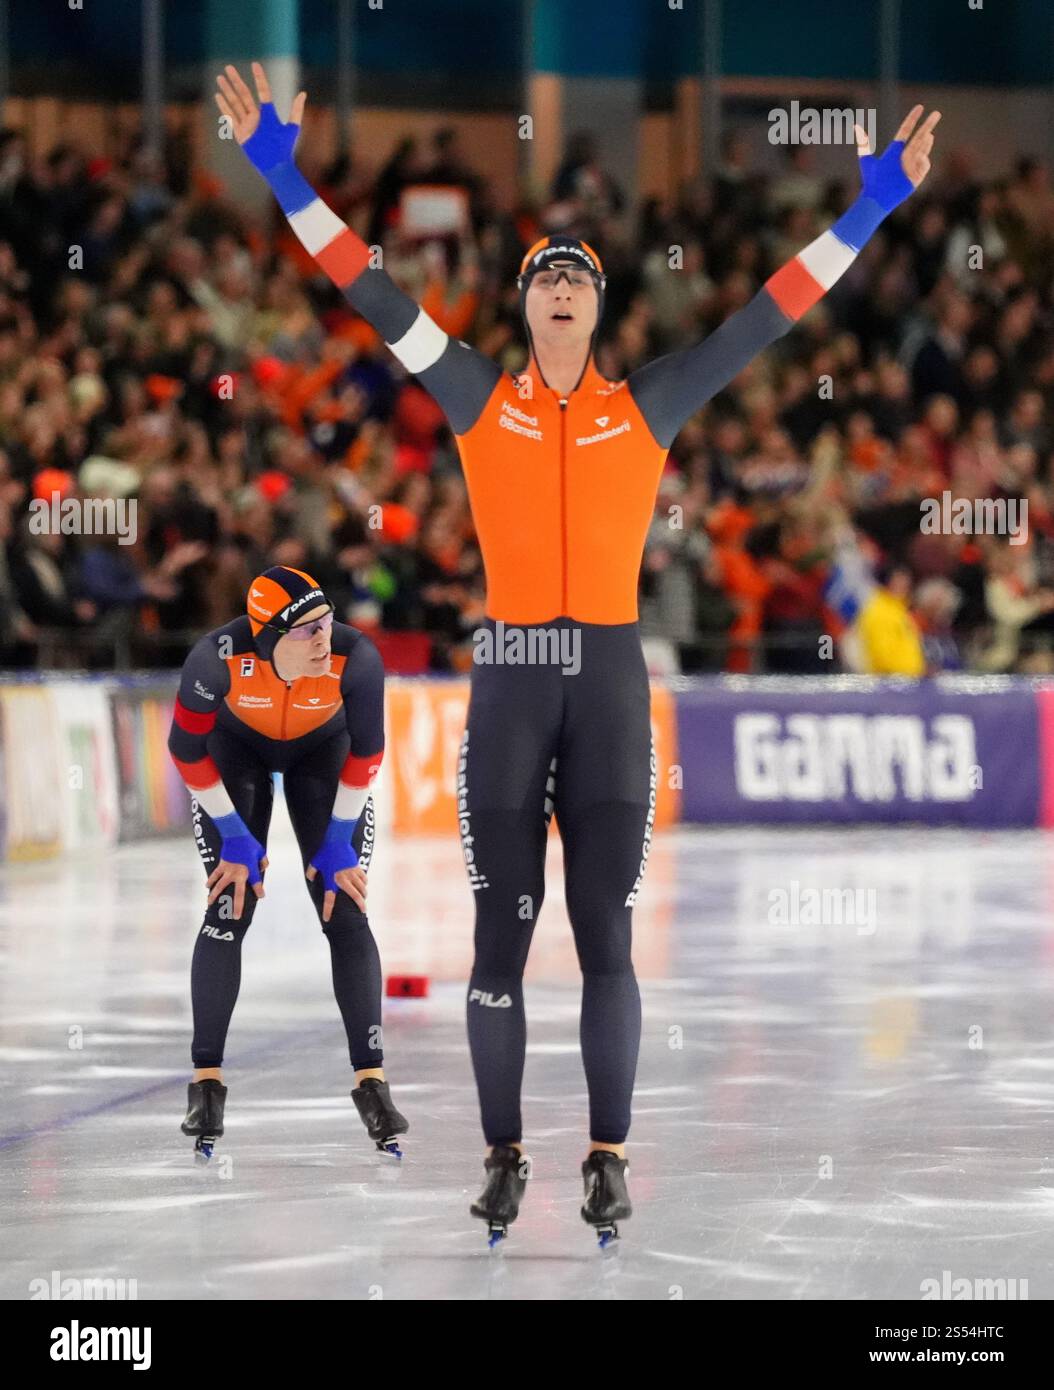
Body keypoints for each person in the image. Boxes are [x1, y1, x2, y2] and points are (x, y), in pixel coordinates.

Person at [216, 61, 939, 1241]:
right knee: (499, 932)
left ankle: (606, 1153)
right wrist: (287, 178)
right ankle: (503, 1154)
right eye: (543, 274)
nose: (559, 286)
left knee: (604, 929)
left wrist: (861, 212)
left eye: (577, 276)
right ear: (522, 305)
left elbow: (768, 315)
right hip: (508, 681)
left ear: (597, 311)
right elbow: (367, 285)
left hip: (605, 682)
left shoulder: (649, 402)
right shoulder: (471, 394)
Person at [167, 563, 408, 1160]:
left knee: (342, 901)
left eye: (327, 623)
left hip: (324, 752)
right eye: (306, 631)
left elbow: (368, 754)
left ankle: (371, 1080)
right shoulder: (215, 659)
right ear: (268, 637)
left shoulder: (359, 658)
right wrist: (234, 835)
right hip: (236, 749)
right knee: (231, 900)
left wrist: (338, 839)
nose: (324, 638)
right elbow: (186, 749)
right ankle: (206, 1082)